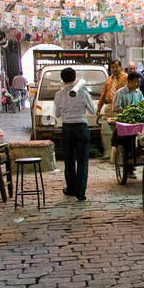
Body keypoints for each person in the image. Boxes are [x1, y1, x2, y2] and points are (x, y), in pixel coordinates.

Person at [55, 65, 96, 201]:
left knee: (69, 160)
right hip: (81, 128)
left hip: (67, 128)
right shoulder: (82, 92)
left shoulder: (59, 94)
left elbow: (56, 114)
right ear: (74, 78)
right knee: (83, 161)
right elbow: (92, 111)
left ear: (62, 79)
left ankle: (71, 189)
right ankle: (81, 192)